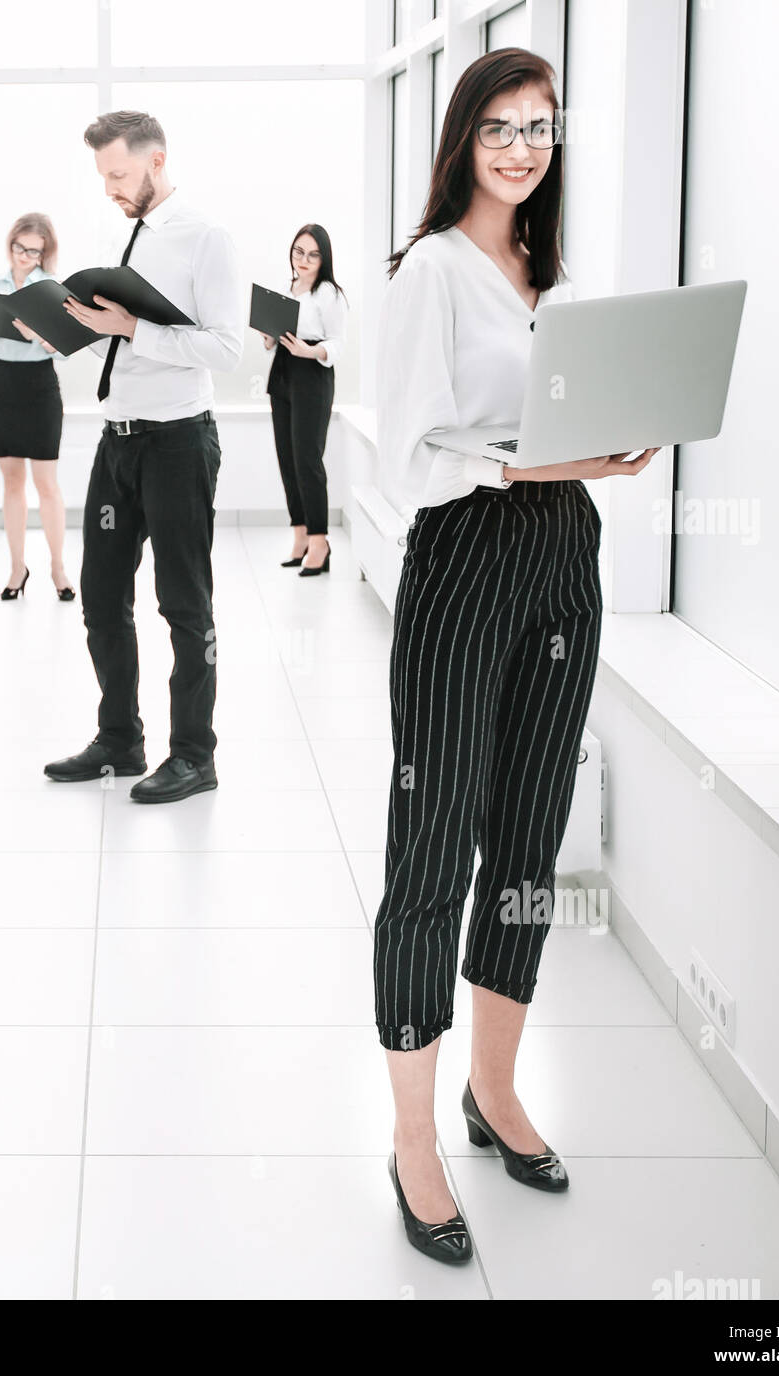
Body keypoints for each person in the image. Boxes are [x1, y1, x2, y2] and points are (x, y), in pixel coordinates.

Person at [373, 49, 659, 1265]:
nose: (519, 146)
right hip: (464, 553)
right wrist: (532, 464)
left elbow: (560, 421)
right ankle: (412, 1136)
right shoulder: (429, 272)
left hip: (561, 550)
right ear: (461, 138)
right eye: (497, 125)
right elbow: (407, 460)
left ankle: (494, 1089)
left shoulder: (557, 278)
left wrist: (608, 444)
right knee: (434, 843)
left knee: (529, 841)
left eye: (537, 126)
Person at [42, 110, 244, 804]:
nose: (109, 188)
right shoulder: (123, 234)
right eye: (102, 176)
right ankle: (120, 740)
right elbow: (122, 346)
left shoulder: (206, 237)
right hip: (116, 442)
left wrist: (131, 325)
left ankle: (194, 755)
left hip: (178, 443)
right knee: (100, 598)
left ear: (156, 161)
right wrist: (69, 335)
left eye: (119, 174)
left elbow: (225, 347)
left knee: (184, 604)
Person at [0, 214, 77, 601]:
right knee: (12, 482)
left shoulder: (49, 289)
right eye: (20, 248)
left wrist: (40, 335)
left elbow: (64, 352)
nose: (25, 257)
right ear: (11, 244)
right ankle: (17, 568)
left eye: (33, 251)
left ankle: (57, 567)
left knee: (46, 483)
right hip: (3, 385)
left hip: (40, 386)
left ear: (44, 253)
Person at [260, 223, 347, 575]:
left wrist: (309, 352)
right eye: (299, 252)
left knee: (308, 460)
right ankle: (300, 536)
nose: (304, 260)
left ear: (323, 258)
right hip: (282, 372)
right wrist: (268, 336)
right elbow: (271, 341)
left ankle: (320, 541)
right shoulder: (286, 288)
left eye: (312, 254)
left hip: (312, 373)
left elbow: (339, 344)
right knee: (288, 459)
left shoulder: (330, 293)